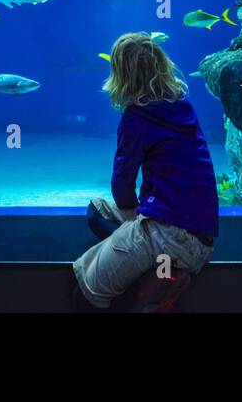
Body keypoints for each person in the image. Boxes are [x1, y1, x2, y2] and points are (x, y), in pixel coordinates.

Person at [72, 32, 219, 312]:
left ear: (121, 75)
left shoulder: (136, 117)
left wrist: (133, 214)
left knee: (86, 292)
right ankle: (162, 270)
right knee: (97, 209)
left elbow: (122, 182)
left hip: (167, 232)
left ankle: (161, 277)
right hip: (201, 237)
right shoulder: (182, 106)